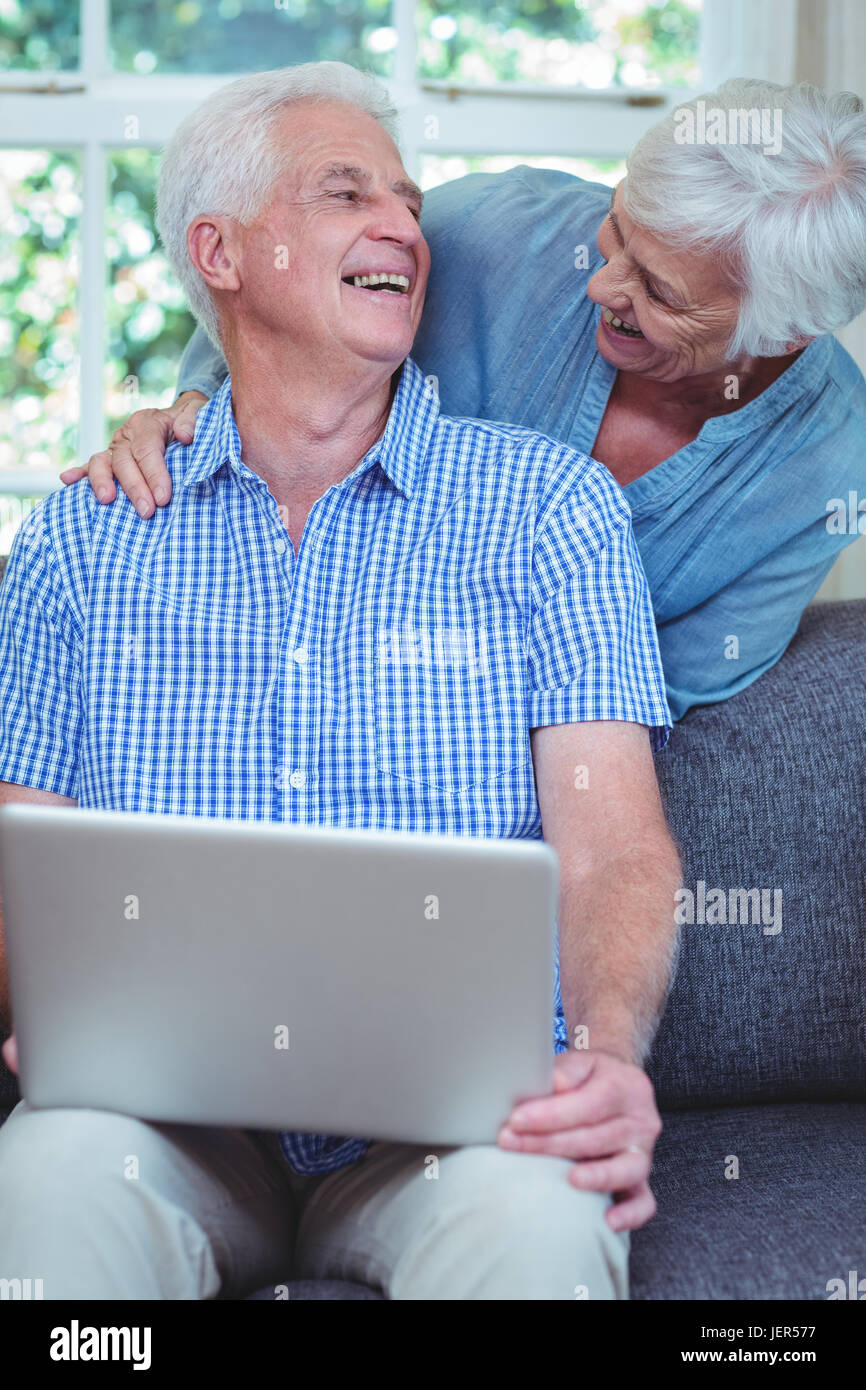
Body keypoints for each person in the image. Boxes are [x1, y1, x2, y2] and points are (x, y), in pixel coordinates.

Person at [0, 62, 680, 1301]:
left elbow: (613, 851)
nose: (402, 227)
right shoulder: (82, 539)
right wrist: (40, 998)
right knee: (48, 1176)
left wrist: (606, 1055)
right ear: (222, 251)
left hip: (456, 1137)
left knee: (539, 1217)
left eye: (410, 202)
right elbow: (21, 848)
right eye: (344, 190)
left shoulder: (547, 513)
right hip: (172, 1130)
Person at [74, 76, 866, 721]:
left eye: (658, 291)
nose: (601, 285)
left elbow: (665, 690)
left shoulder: (832, 460)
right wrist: (193, 405)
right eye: (617, 230)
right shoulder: (497, 231)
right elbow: (283, 284)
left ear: (783, 334)